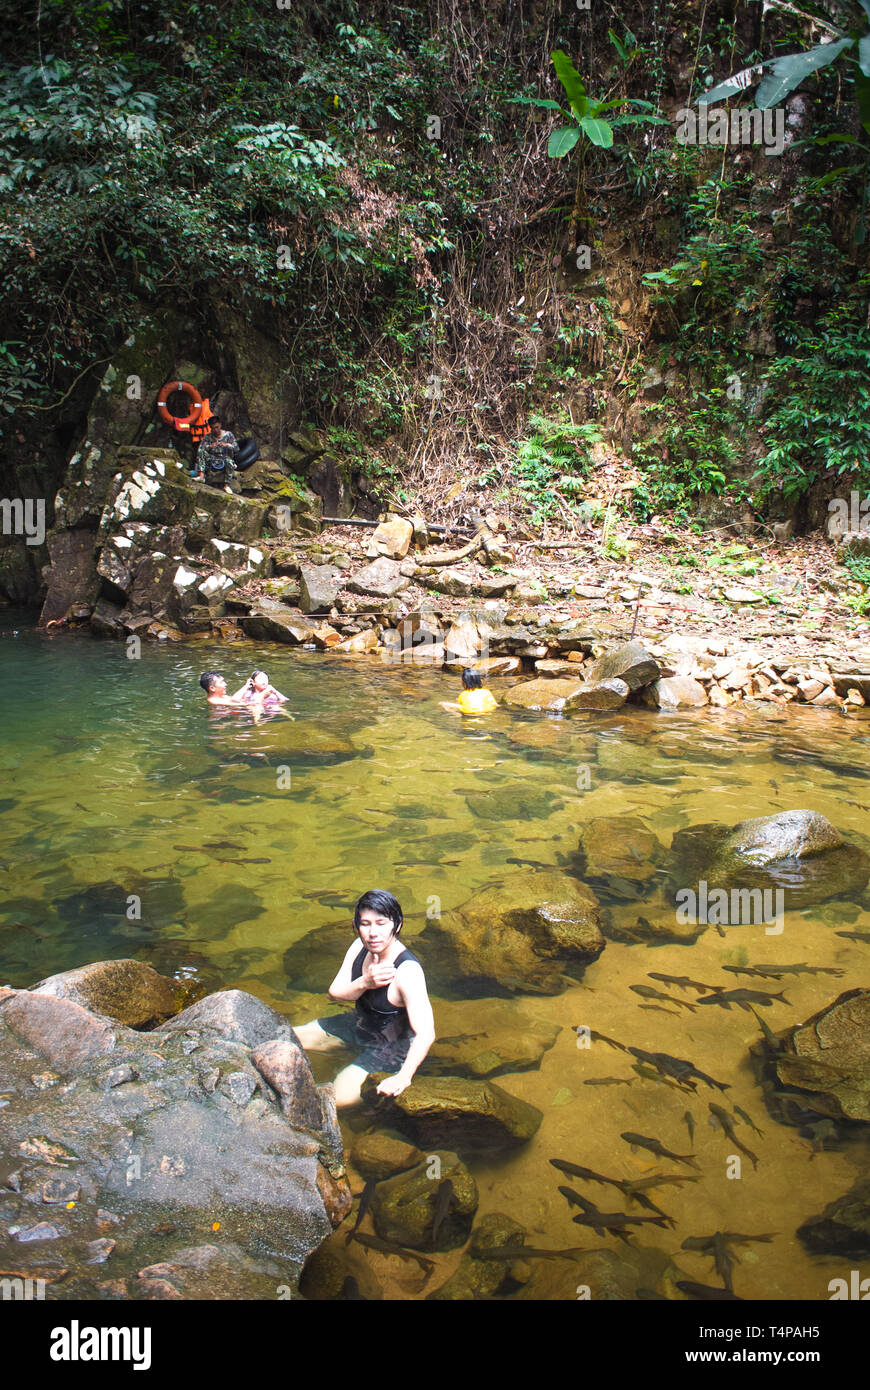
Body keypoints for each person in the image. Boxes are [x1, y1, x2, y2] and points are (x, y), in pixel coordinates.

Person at [292, 890, 436, 1109]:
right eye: (365, 924)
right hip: (360, 1023)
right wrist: (365, 983)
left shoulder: (408, 972)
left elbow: (426, 1033)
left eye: (381, 923)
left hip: (391, 1045)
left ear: (397, 925)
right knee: (288, 1039)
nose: (372, 933)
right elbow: (334, 993)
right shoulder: (359, 947)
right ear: (356, 925)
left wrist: (403, 1077)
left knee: (337, 1099)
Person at [193, 416, 239, 493]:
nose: (215, 430)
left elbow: (236, 448)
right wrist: (210, 446)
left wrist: (227, 445)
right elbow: (201, 448)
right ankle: (201, 476)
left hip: (225, 458)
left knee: (229, 462)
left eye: (217, 427)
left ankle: (226, 485)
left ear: (220, 425)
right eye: (213, 428)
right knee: (201, 451)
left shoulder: (228, 435)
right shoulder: (208, 437)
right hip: (212, 458)